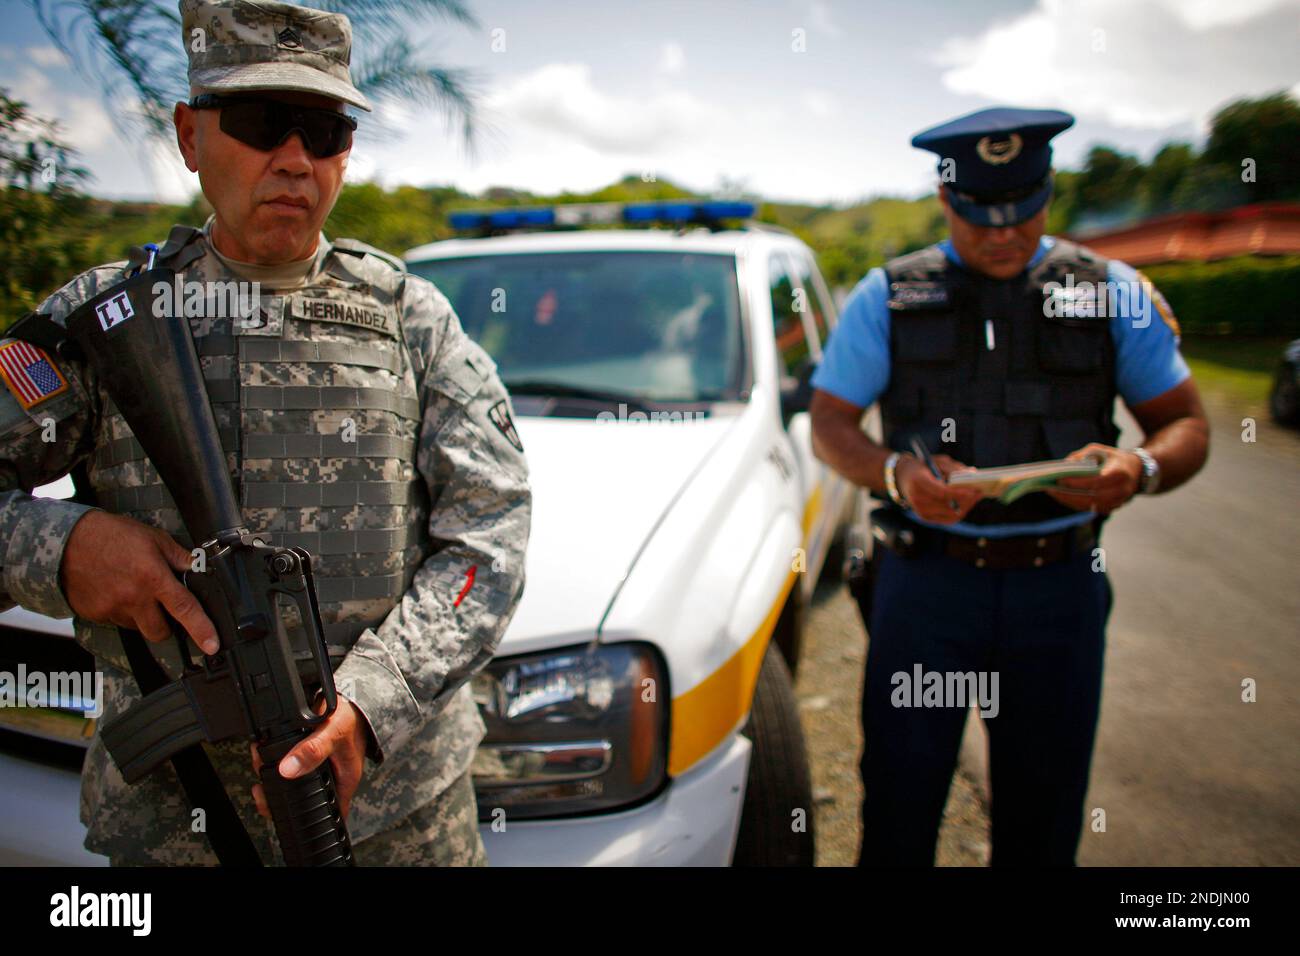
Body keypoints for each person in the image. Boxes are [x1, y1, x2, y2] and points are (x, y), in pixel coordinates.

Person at [0, 0, 531, 865]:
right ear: (188, 133)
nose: (295, 159)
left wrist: (371, 703)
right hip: (180, 826)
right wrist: (63, 549)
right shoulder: (103, 320)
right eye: (258, 121)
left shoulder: (409, 318)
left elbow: (491, 534)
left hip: (400, 822)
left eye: (325, 130)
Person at [809, 107, 1209, 866]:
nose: (1003, 235)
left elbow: (1187, 424)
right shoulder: (886, 295)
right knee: (899, 800)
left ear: (1048, 195)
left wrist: (1142, 469)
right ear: (944, 197)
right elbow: (829, 423)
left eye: (1023, 212)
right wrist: (895, 475)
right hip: (926, 592)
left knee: (1044, 818)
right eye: (980, 216)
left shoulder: (1112, 291)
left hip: (1056, 596)